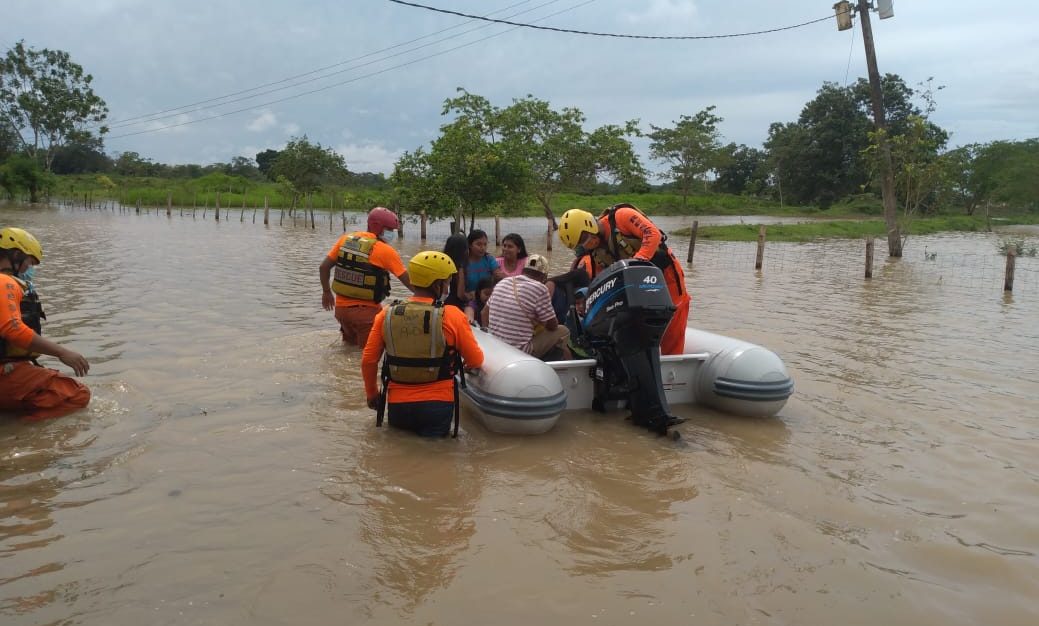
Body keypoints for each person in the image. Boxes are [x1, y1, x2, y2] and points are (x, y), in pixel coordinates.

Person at [361, 251, 484, 437]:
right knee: (435, 458)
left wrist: (372, 394)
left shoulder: (386, 314)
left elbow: (369, 360)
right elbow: (475, 359)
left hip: (398, 404)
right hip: (438, 404)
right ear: (437, 284)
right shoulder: (452, 315)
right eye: (448, 282)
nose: (448, 287)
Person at [558, 203, 690, 355]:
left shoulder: (621, 217)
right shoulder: (596, 254)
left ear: (589, 225)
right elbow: (599, 281)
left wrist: (637, 261)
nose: (586, 244)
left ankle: (674, 368)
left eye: (584, 238)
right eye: (580, 244)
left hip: (666, 276)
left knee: (673, 329)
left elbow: (652, 233)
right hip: (638, 287)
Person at [0, 227, 91, 421]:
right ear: (16, 256)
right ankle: (21, 435)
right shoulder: (4, 282)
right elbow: (13, 329)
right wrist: (62, 352)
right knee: (78, 394)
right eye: (30, 263)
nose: (30, 270)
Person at [319, 207, 413, 346]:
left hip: (341, 311)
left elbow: (324, 267)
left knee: (349, 351)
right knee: (366, 355)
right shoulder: (385, 250)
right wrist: (431, 297)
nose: (392, 233)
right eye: (389, 230)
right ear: (377, 226)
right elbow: (409, 282)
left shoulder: (345, 240)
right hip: (366, 314)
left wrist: (327, 292)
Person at [487, 254, 571, 361]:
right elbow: (552, 326)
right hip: (519, 351)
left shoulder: (503, 282)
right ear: (544, 277)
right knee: (563, 330)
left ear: (523, 271)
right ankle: (547, 361)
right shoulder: (540, 288)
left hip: (496, 345)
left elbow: (485, 312)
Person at [463, 229, 503, 300]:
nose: (483, 248)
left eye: (485, 244)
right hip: (470, 299)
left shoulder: (489, 259)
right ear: (469, 245)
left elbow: (498, 276)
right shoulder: (463, 262)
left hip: (488, 298)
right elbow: (461, 292)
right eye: (479, 244)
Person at [441, 232, 470, 311]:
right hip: (456, 306)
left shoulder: (443, 263)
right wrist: (471, 298)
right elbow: (460, 294)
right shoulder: (460, 267)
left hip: (443, 303)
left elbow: (444, 292)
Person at [565, 287, 595, 359]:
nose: (581, 306)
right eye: (577, 303)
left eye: (584, 302)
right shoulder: (571, 319)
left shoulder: (599, 319)